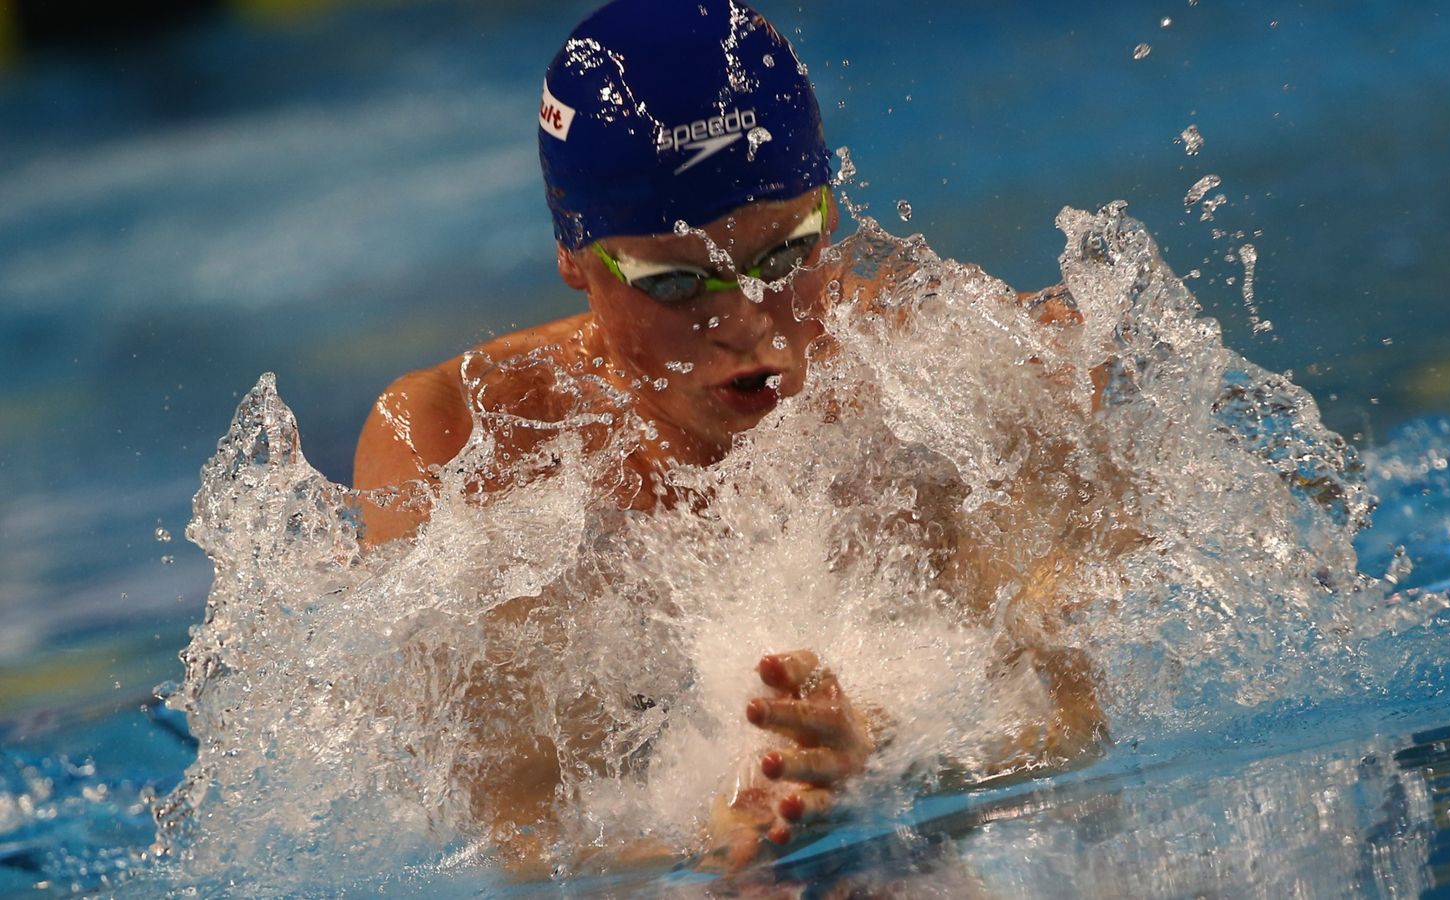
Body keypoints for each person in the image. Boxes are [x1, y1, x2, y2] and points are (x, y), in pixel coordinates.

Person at [352, 0, 1106, 875]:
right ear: (573, 253)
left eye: (787, 256)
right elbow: (519, 840)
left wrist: (894, 758)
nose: (752, 328)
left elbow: (1076, 723)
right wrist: (711, 838)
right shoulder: (461, 443)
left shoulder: (951, 374)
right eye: (676, 285)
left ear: (827, 206)